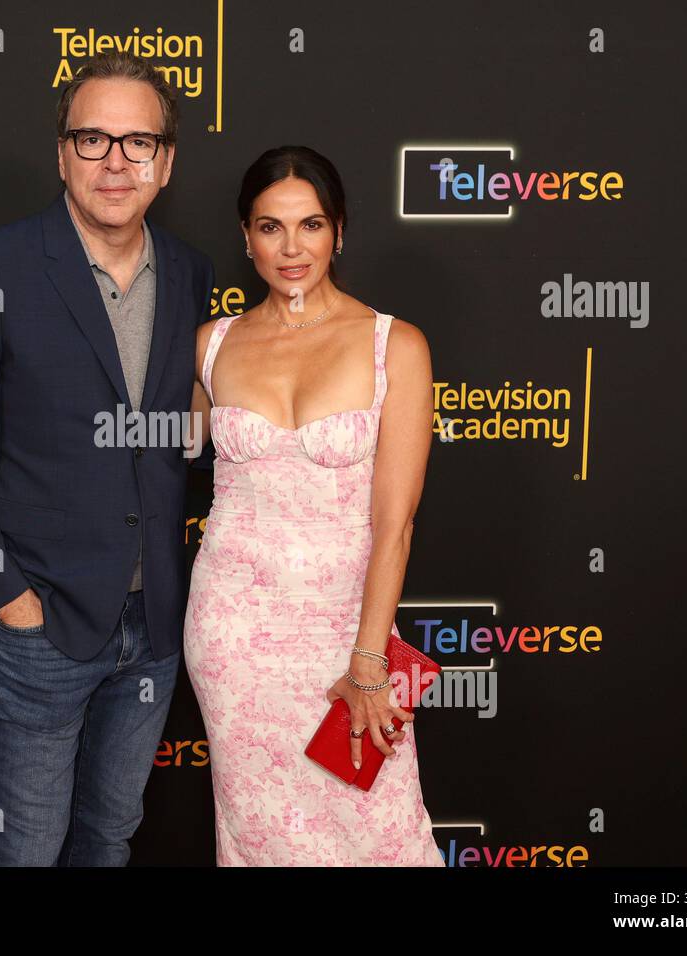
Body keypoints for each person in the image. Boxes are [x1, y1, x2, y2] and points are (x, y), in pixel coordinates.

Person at [0, 51, 215, 866]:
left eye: (137, 141)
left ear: (167, 161)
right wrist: (8, 596)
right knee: (27, 852)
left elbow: (174, 433)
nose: (115, 162)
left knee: (110, 839)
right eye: (92, 138)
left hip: (153, 626)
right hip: (41, 621)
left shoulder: (190, 273)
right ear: (60, 153)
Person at [183, 145, 444, 865]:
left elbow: (395, 525)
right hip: (231, 634)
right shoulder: (211, 346)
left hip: (345, 634)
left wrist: (368, 663)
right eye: (270, 227)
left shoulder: (397, 346)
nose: (291, 247)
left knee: (376, 829)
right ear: (245, 236)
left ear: (339, 232)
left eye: (311, 225)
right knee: (257, 829)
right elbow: (151, 463)